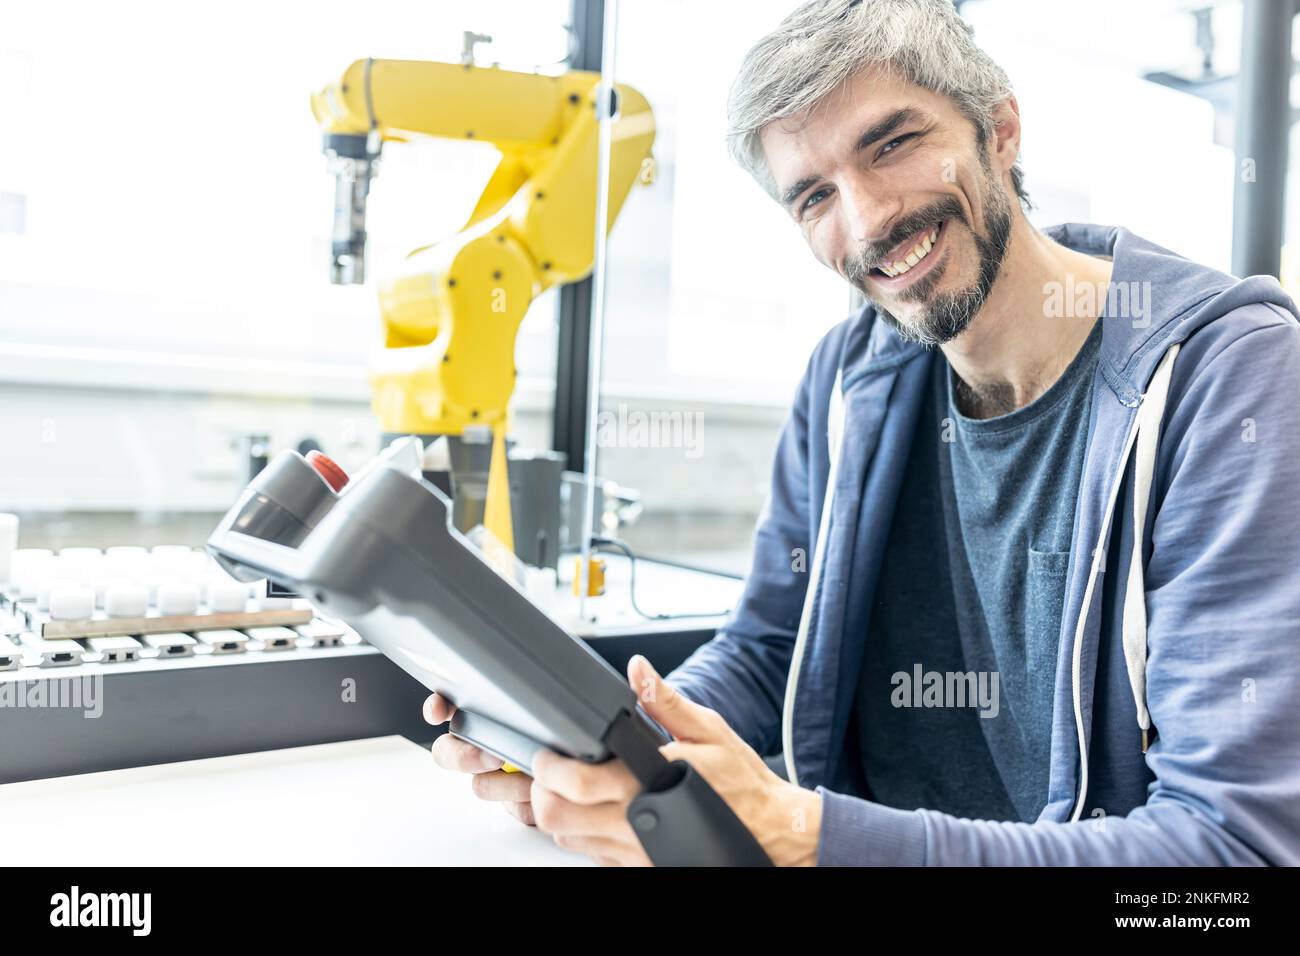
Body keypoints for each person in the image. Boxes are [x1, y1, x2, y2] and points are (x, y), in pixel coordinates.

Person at [426, 0, 1300, 865]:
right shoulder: (850, 380)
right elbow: (769, 652)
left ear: (999, 128)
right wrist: (610, 743)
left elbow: (1229, 860)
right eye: (815, 195)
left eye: (893, 144)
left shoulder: (1231, 381)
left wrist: (805, 835)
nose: (869, 218)